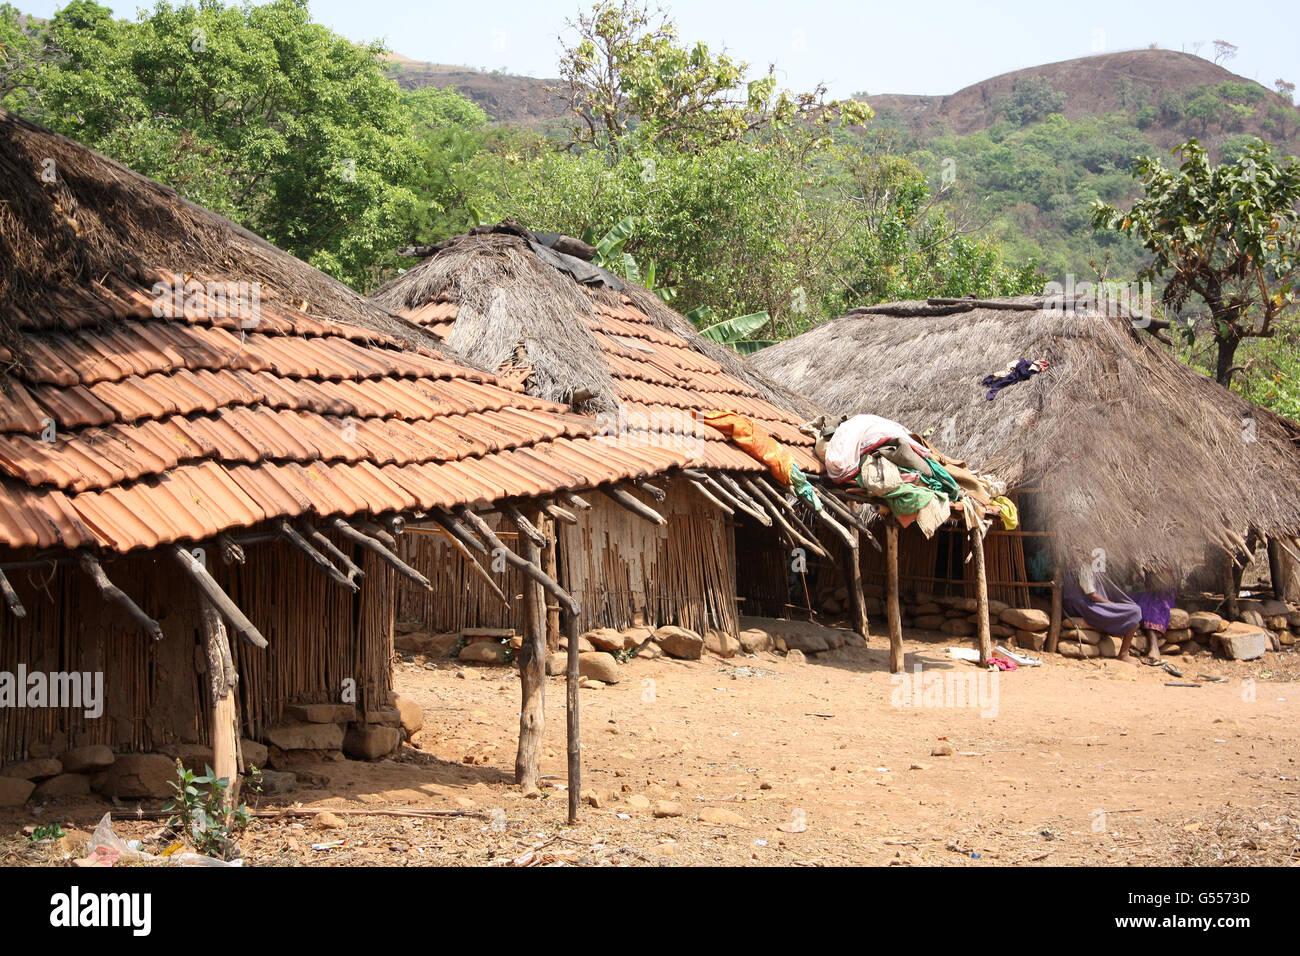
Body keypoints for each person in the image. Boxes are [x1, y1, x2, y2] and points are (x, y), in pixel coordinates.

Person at [1062, 559, 1143, 662]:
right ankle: (1123, 654)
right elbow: (1092, 596)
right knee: (1134, 611)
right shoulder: (1084, 568)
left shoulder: (1074, 566)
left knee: (1131, 610)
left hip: (1077, 605)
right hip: (1084, 606)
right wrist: (1111, 604)